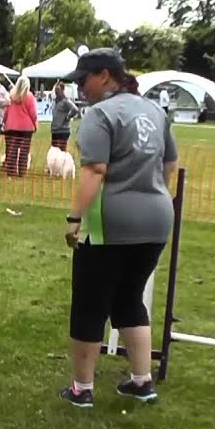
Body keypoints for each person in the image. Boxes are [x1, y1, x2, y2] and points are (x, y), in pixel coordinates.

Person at [58, 48, 178, 408]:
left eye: (84, 79)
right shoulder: (155, 111)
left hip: (111, 223)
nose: (81, 87)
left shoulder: (100, 114)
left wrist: (75, 218)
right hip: (157, 218)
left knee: (90, 305)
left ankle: (82, 388)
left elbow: (95, 170)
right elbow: (170, 164)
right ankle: (142, 381)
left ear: (106, 75)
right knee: (130, 299)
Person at [1, 75, 38, 177]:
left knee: (11, 150)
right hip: (26, 127)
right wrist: (35, 124)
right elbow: (33, 113)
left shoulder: (11, 96)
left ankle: (11, 172)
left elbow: (6, 111)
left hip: (11, 126)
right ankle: (22, 172)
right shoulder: (30, 97)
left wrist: (4, 121)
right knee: (24, 151)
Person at [50, 83, 80, 152]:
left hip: (63, 130)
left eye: (58, 90)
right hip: (55, 130)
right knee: (54, 152)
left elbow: (75, 109)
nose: (56, 92)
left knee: (62, 153)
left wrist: (68, 117)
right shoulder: (56, 101)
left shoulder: (66, 101)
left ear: (63, 90)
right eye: (55, 90)